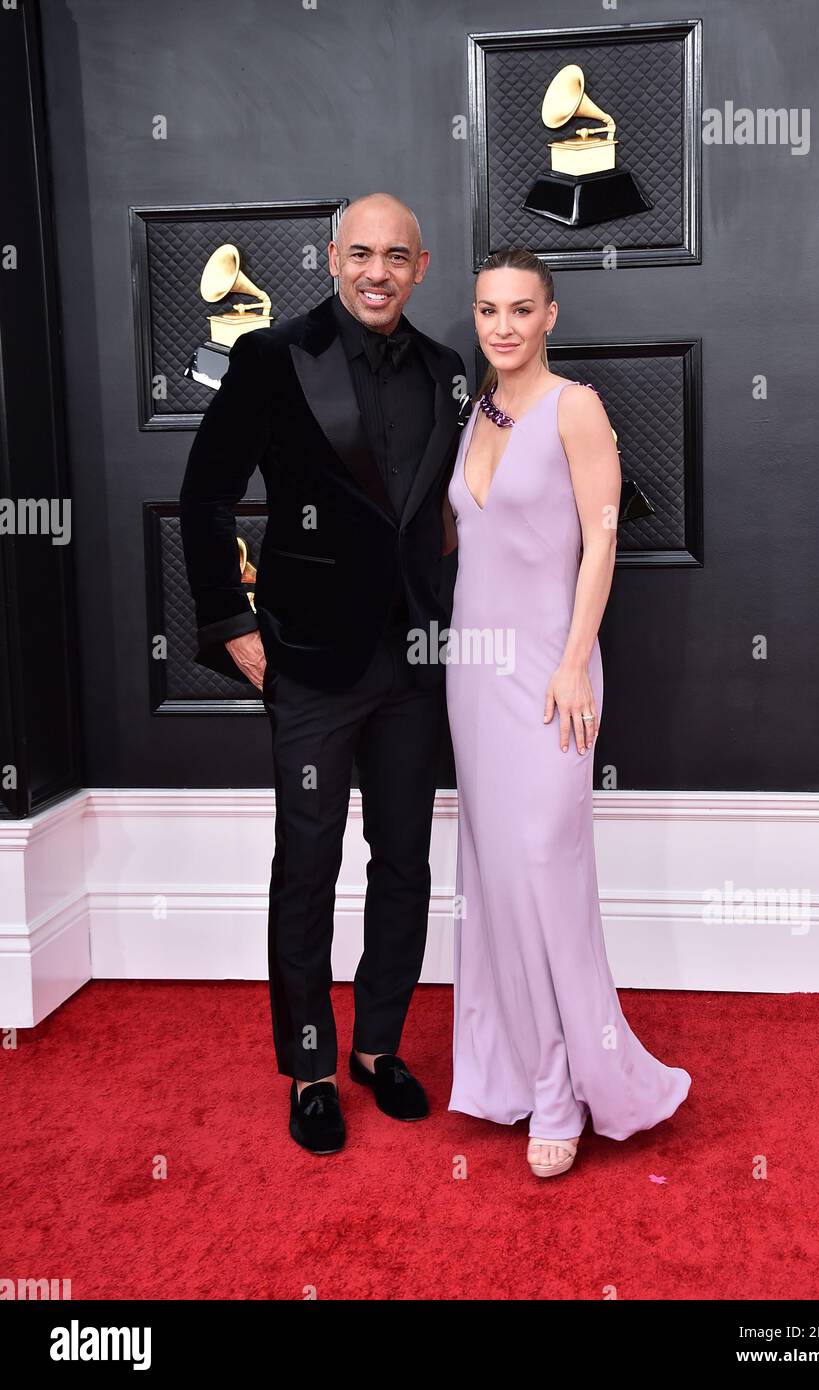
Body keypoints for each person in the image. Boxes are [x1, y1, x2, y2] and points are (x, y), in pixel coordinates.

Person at [179, 193, 468, 1155]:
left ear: (420, 267)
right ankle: (310, 1067)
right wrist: (230, 623)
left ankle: (378, 1049)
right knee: (306, 867)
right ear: (332, 257)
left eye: (397, 256)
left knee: (405, 864)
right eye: (360, 254)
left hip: (415, 661)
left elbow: (455, 515)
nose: (377, 272)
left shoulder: (446, 370)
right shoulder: (270, 357)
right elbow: (205, 492)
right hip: (306, 663)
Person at [444, 247, 692, 1178]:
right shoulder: (477, 413)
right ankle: (525, 1072)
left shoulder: (574, 407)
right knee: (499, 883)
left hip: (551, 674)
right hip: (471, 677)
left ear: (550, 315)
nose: (501, 326)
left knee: (547, 871)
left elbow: (601, 541)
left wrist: (575, 662)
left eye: (519, 309)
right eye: (486, 310)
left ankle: (570, 1087)